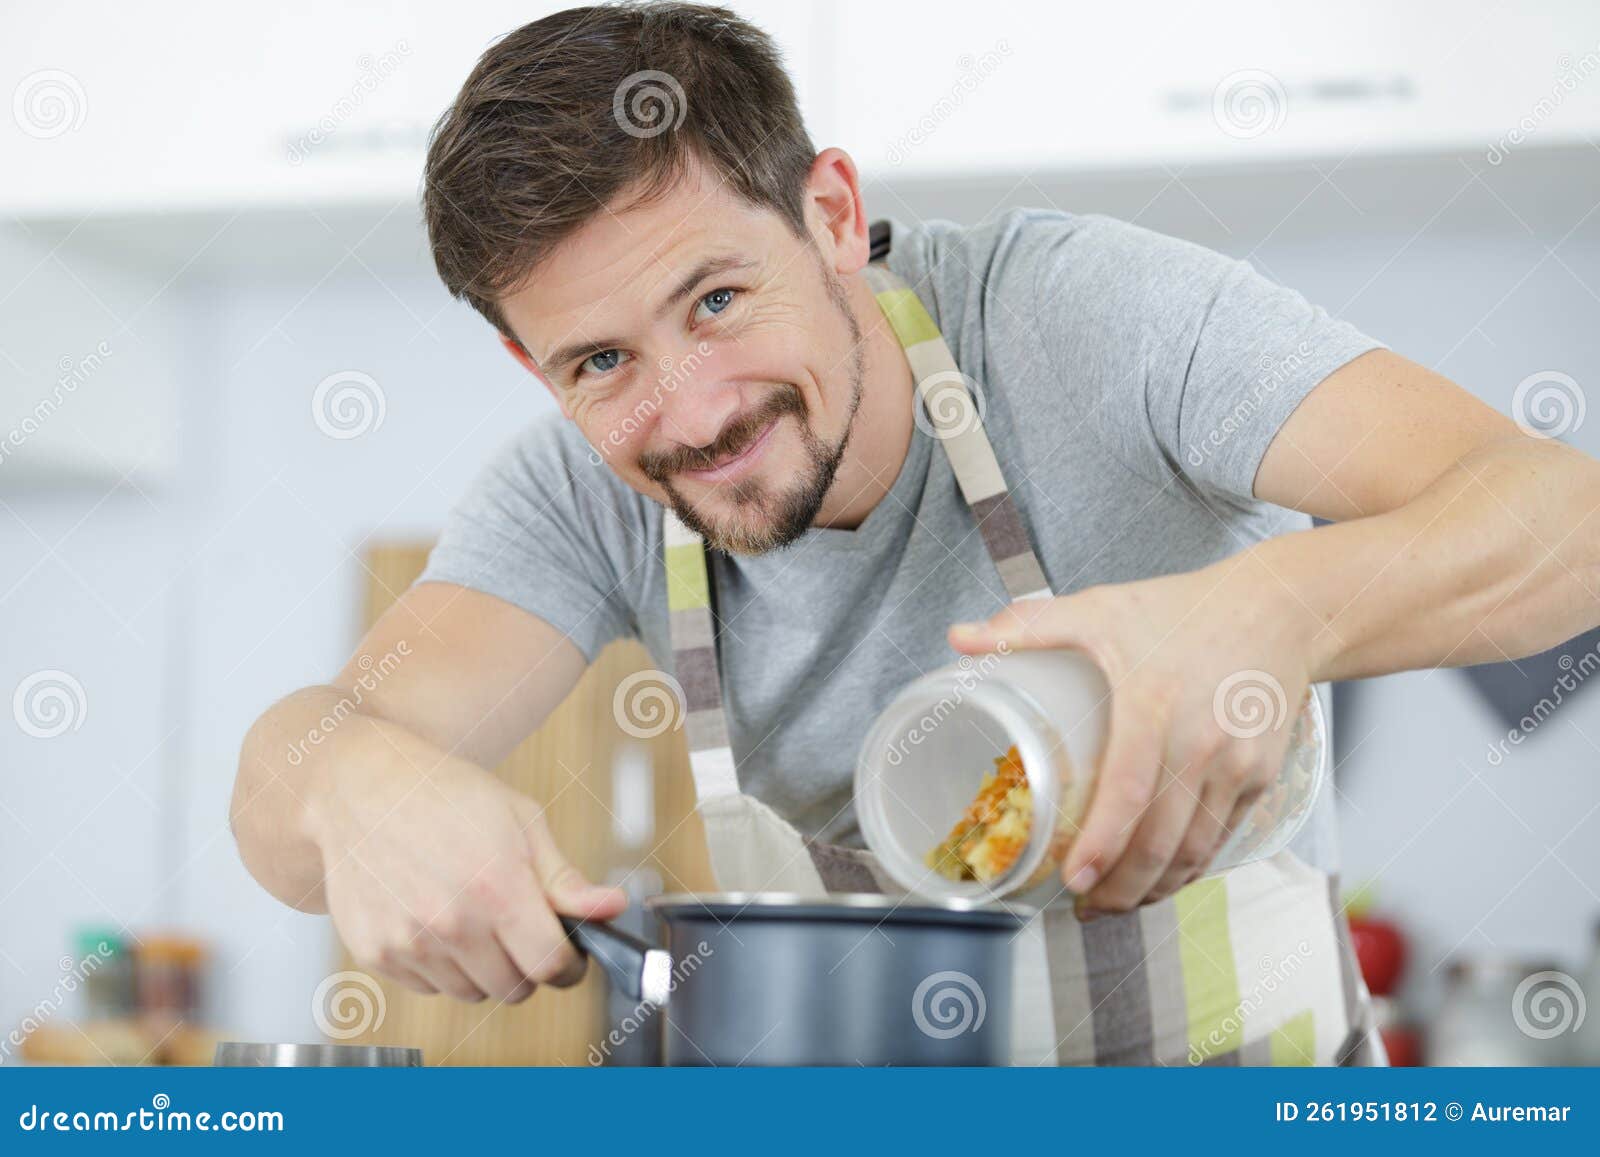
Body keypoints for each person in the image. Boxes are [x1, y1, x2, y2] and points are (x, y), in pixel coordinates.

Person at [231, 3, 1600, 1065]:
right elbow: (284, 783)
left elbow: (1563, 515)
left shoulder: (1073, 313)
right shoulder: (575, 497)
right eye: (600, 361)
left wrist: (1270, 613)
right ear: (541, 372)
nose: (694, 410)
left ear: (831, 215)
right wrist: (356, 782)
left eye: (716, 299)